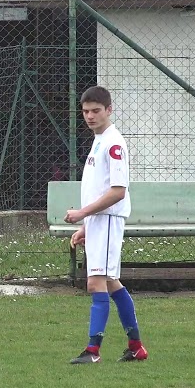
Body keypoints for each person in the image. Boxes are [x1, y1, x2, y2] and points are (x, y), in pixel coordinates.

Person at [63, 85, 147, 364]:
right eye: (85, 111)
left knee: (95, 282)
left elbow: (117, 191)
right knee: (110, 283)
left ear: (109, 110)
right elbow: (100, 188)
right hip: (100, 223)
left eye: (96, 111)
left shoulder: (113, 143)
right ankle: (136, 347)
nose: (90, 116)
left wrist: (82, 213)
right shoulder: (98, 140)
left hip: (109, 221)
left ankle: (93, 350)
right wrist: (87, 225)